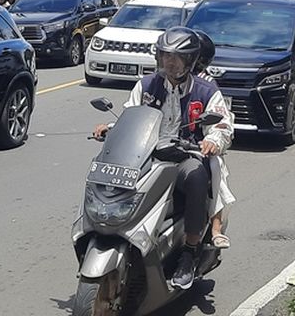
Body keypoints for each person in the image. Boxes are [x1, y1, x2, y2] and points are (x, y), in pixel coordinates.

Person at [92, 27, 235, 290]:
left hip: (184, 157)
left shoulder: (206, 90)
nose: (169, 62)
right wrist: (111, 128)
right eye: (165, 55)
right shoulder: (146, 85)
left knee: (196, 176)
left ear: (190, 61)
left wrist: (213, 140)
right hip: (146, 155)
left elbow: (222, 124)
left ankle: (189, 252)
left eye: (176, 57)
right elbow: (129, 115)